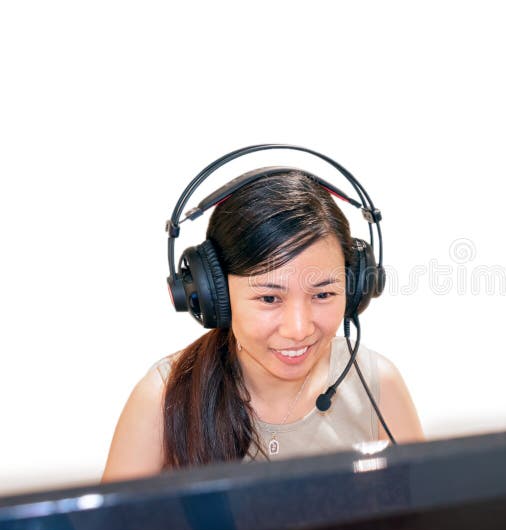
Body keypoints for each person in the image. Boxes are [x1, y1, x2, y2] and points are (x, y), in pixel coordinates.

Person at [102, 165, 424, 483]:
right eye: (270, 299)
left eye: (323, 294)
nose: (298, 329)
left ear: (354, 289)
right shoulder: (162, 400)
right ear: (216, 296)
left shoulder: (378, 386)